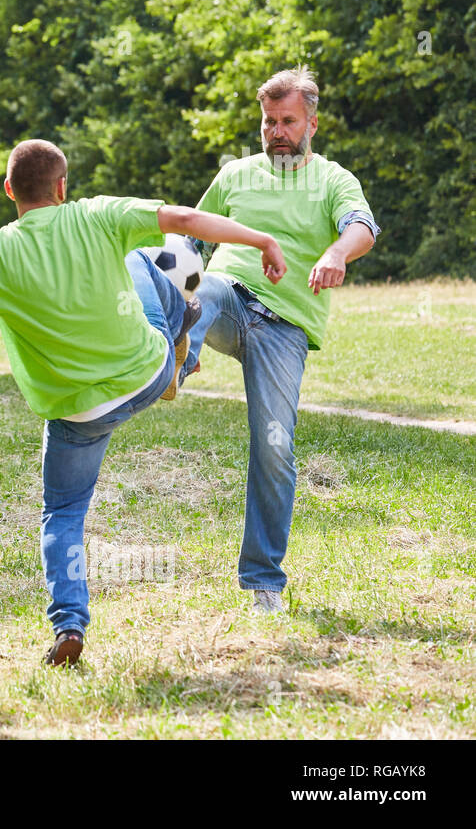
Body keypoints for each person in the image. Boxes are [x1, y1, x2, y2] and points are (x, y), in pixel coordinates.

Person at [0, 139, 286, 665]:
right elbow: (185, 219)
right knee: (139, 256)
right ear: (62, 186)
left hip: (77, 411)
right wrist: (261, 239)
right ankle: (182, 337)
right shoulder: (97, 215)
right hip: (144, 373)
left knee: (62, 513)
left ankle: (69, 624)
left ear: (8, 190)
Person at [177, 66, 378, 614]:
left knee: (274, 446)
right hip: (229, 296)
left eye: (288, 121)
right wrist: (178, 295)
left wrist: (337, 252)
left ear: (312, 123)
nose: (277, 132)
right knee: (201, 289)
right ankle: (175, 362)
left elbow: (361, 225)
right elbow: (193, 240)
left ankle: (263, 582)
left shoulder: (333, 179)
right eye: (269, 122)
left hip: (284, 327)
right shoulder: (236, 173)